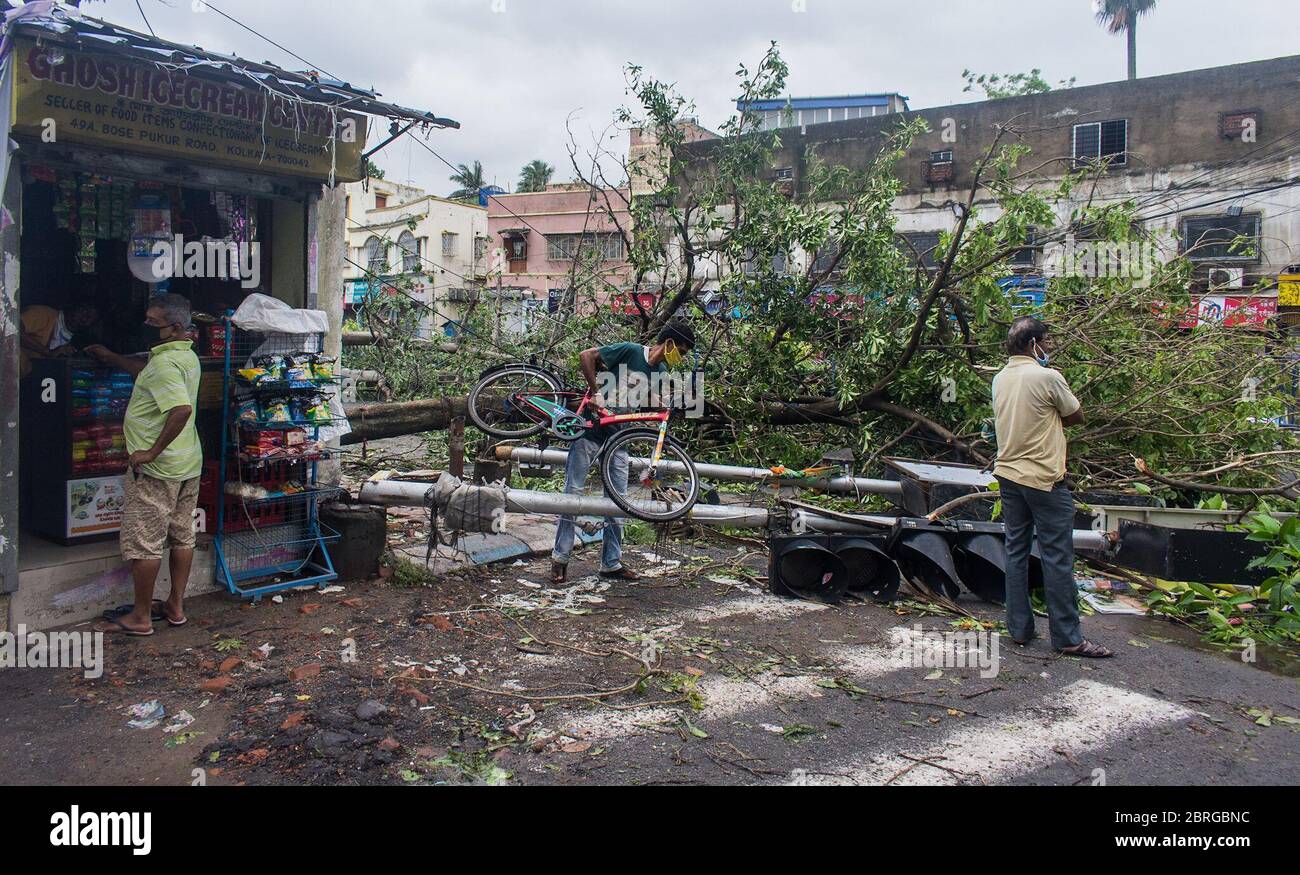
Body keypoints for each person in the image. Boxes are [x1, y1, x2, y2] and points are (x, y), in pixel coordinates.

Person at [991, 316, 1112, 658]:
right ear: (1033, 345)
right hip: (1044, 479)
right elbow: (1076, 416)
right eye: (1047, 342)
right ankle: (1068, 637)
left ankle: (1019, 629)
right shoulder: (1048, 377)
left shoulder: (1000, 379)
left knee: (1015, 551)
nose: (1050, 348)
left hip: (1009, 476)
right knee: (1057, 557)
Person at [87, 294, 202, 636]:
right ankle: (176, 606)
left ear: (176, 327)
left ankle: (139, 617)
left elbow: (180, 409)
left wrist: (150, 452)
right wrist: (112, 357)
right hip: (187, 462)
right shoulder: (183, 355)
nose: (146, 327)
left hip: (159, 469)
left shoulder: (166, 364)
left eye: (153, 323)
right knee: (183, 536)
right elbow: (150, 375)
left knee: (146, 543)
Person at [550, 321, 696, 584]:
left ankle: (611, 563)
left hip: (620, 436)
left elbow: (651, 399)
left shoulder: (661, 370)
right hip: (591, 430)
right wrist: (596, 394)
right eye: (682, 352)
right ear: (670, 342)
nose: (680, 358)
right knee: (572, 493)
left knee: (620, 499)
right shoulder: (629, 351)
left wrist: (669, 405)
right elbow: (586, 356)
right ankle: (560, 559)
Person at [19, 301, 99, 377]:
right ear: (74, 306)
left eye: (90, 318)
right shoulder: (42, 313)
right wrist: (48, 352)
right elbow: (13, 331)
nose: (84, 318)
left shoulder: (70, 342)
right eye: (84, 310)